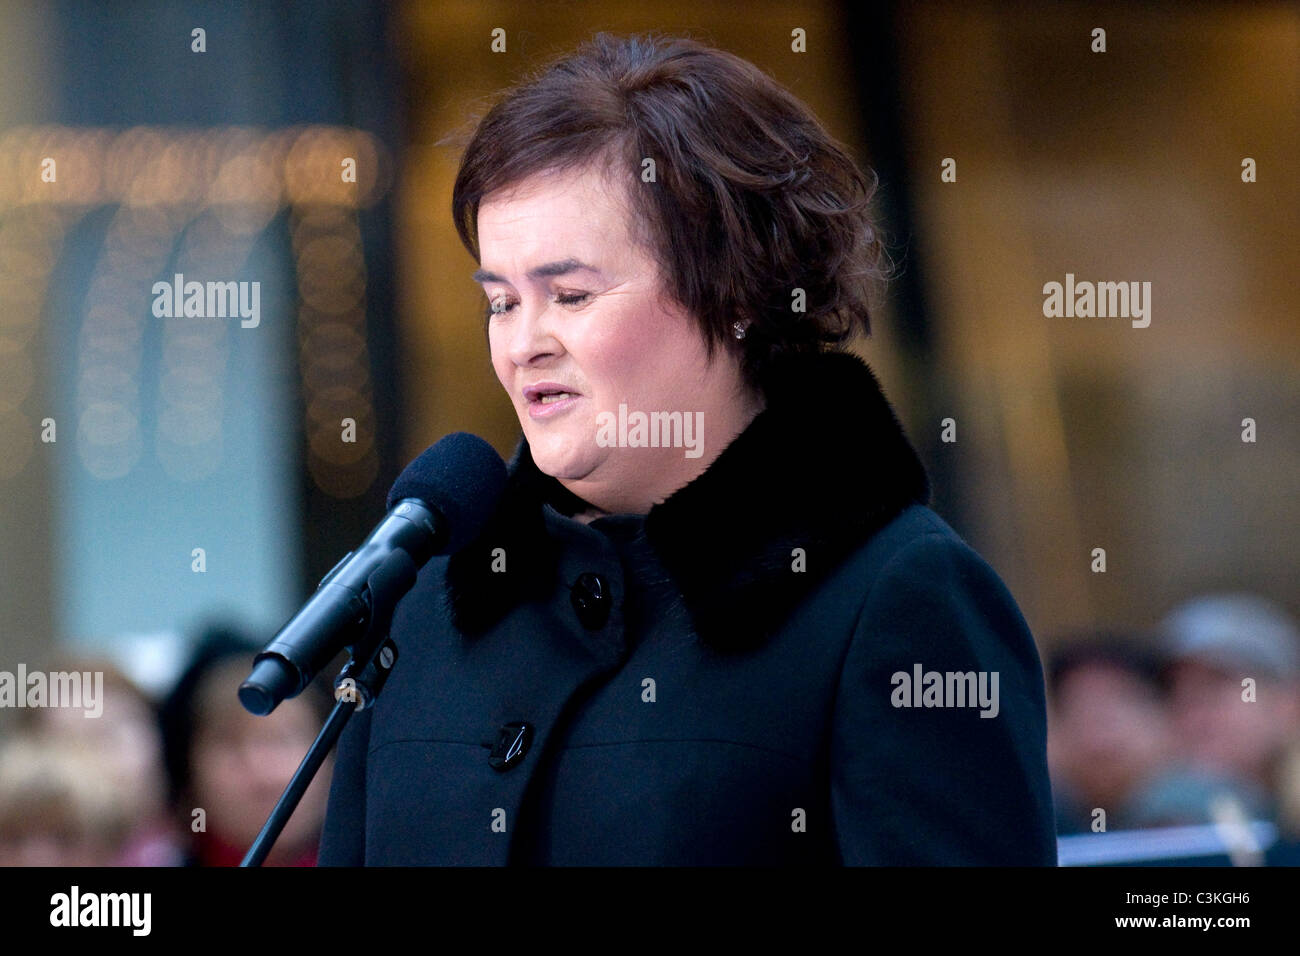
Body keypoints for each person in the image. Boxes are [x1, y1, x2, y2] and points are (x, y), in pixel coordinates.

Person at [320, 32, 1056, 865]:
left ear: (736, 289)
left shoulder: (896, 601)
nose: (524, 343)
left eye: (570, 294)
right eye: (500, 302)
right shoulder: (429, 604)